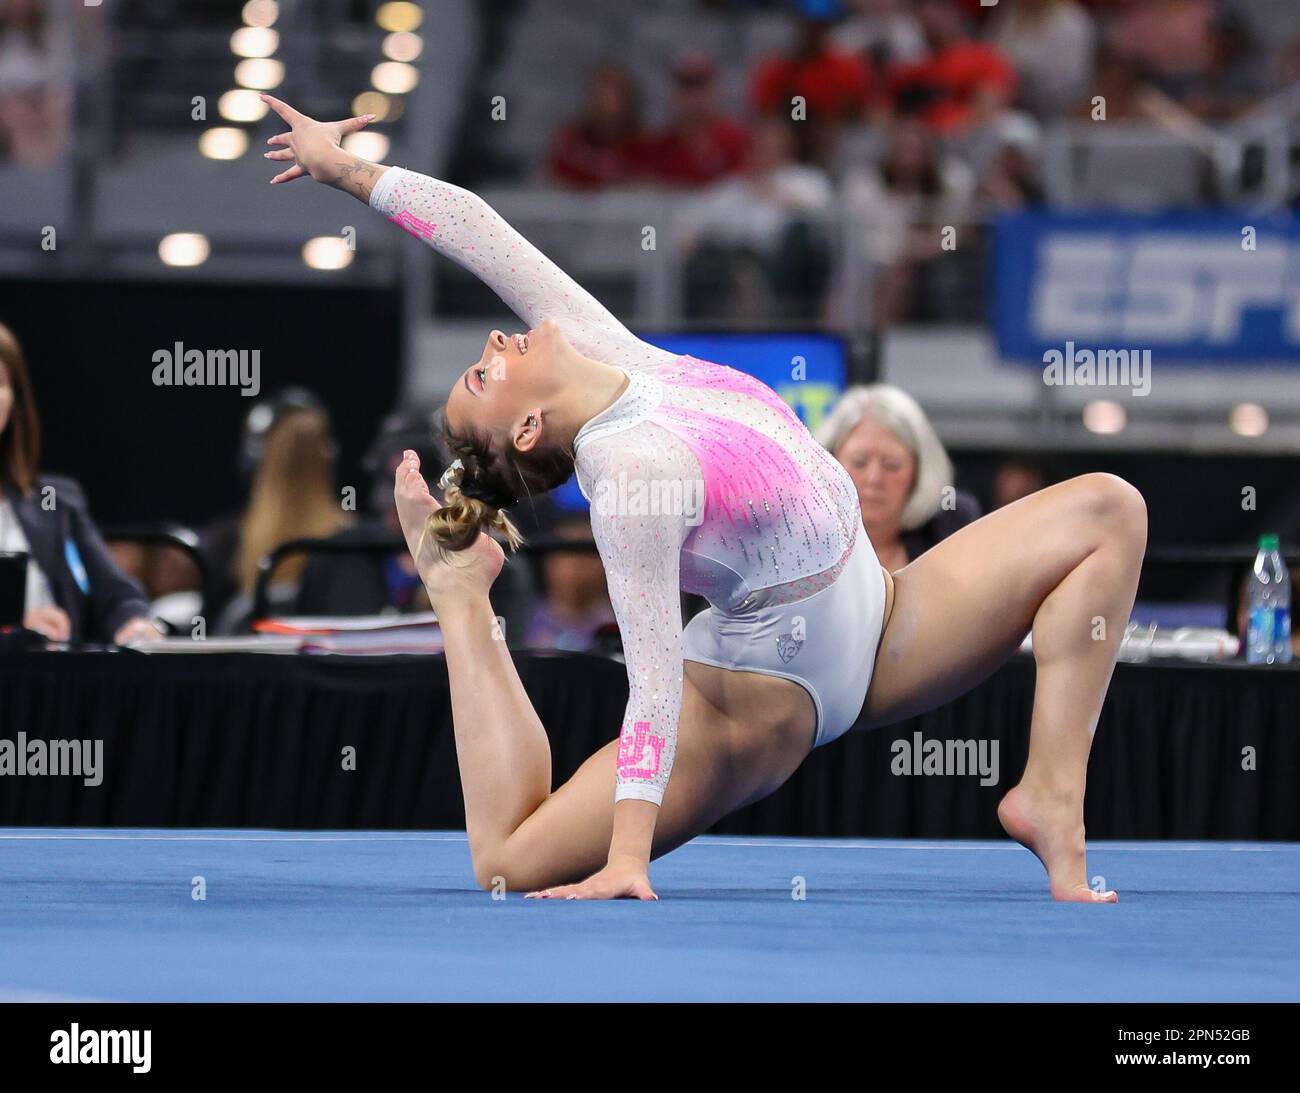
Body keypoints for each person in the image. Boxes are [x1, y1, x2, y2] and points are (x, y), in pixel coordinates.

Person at [260, 93, 1148, 903]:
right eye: (482, 371)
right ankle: (459, 596)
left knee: (1111, 510)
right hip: (757, 697)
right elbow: (650, 677)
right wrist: (627, 857)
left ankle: (1049, 799)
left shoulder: (611, 352)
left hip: (885, 618)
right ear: (528, 426)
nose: (496, 337)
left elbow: (478, 228)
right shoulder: (631, 470)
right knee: (506, 860)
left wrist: (347, 171)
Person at [0, 322, 160, 644]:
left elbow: (116, 597)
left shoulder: (54, 500)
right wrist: (14, 628)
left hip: (51, 686)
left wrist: (134, 624)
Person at [816, 384, 979, 572]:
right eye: (859, 462)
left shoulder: (951, 528)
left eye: (892, 465)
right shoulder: (800, 540)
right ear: (827, 463)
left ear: (918, 472)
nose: (874, 478)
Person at [640, 51, 749, 189]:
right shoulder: (658, 147)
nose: (693, 93)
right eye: (686, 83)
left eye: (699, 82)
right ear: (674, 91)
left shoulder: (736, 141)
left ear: (713, 88)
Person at [545, 62, 650, 190]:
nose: (602, 100)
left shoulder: (646, 145)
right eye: (598, 92)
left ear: (629, 99)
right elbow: (554, 183)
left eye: (612, 93)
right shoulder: (570, 142)